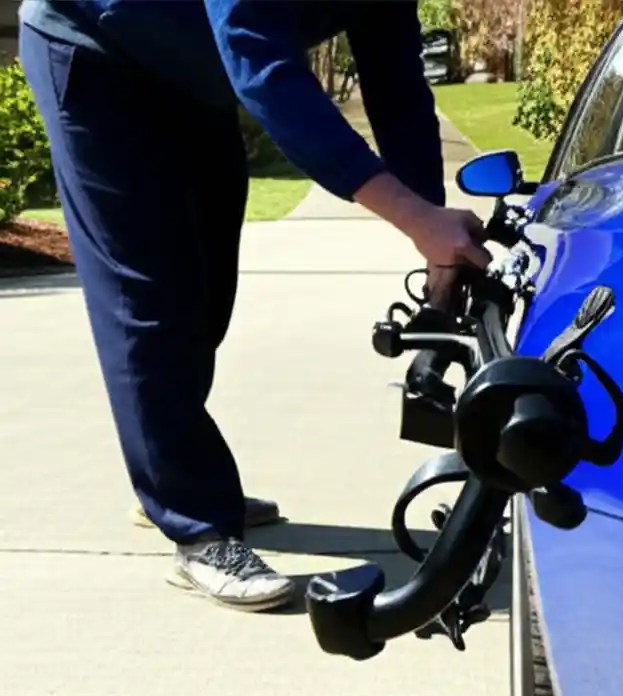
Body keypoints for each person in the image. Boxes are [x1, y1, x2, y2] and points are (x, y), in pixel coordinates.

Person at [17, 0, 492, 612]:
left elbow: (397, 86)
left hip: (192, 72)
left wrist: (429, 228)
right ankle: (197, 526)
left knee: (209, 287)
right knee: (146, 296)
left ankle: (169, 464)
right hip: (94, 52)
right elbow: (262, 65)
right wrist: (412, 216)